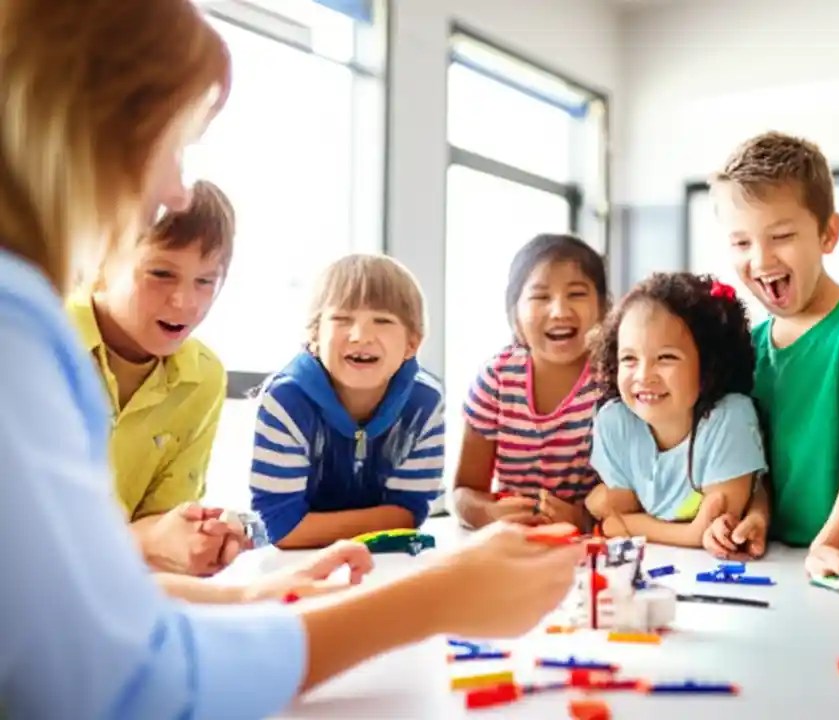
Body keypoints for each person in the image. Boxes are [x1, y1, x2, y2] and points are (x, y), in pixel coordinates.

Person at [0, 2, 580, 717]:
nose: (177, 189)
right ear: (90, 130)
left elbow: (70, 590)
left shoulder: (27, 315)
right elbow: (120, 682)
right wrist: (436, 598)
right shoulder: (18, 326)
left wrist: (246, 594)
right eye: (174, 144)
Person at [704, 131, 839, 586]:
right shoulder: (749, 347)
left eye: (782, 236)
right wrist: (754, 516)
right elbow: (761, 466)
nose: (761, 258)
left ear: (828, 234)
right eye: (741, 243)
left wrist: (831, 545)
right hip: (788, 561)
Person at [69, 179, 247, 576]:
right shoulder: (39, 341)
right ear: (100, 260)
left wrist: (194, 538)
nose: (185, 302)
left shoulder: (203, 378)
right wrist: (148, 542)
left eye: (205, 281)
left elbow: (160, 525)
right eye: (161, 273)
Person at [249, 254, 446, 548]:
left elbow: (410, 513)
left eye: (382, 320)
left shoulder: (424, 402)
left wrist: (307, 526)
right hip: (292, 565)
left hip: (381, 561)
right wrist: (385, 521)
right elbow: (280, 528)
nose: (360, 336)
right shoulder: (286, 400)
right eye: (342, 319)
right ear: (314, 336)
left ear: (412, 344)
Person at [585, 272, 766, 548]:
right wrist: (688, 534)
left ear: (709, 363)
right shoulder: (614, 421)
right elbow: (615, 512)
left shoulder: (730, 418)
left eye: (666, 358)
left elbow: (721, 517)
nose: (644, 376)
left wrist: (629, 525)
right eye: (629, 359)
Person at [452, 234, 608, 530]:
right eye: (540, 297)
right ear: (515, 317)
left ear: (603, 308)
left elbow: (629, 499)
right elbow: (463, 494)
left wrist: (581, 519)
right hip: (511, 542)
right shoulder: (496, 380)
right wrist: (489, 514)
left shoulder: (613, 384)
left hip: (587, 544)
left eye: (576, 294)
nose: (560, 311)